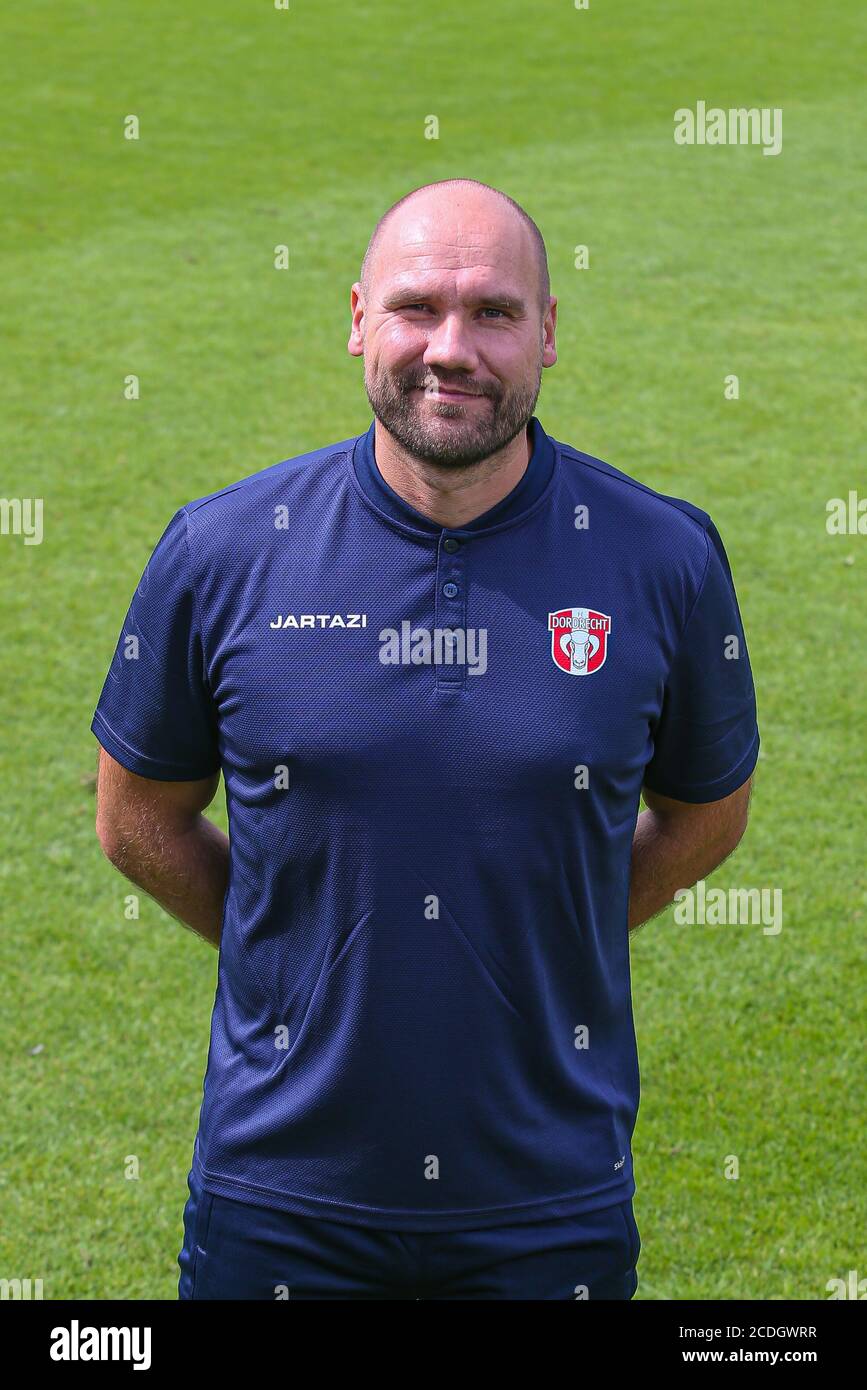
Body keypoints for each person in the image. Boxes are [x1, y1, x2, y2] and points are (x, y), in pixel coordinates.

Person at [91, 178, 759, 1299]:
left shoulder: (663, 557)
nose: (452, 348)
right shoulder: (222, 551)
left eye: (495, 312)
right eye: (416, 309)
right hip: (280, 1197)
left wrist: (542, 933)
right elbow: (135, 819)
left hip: (547, 1200)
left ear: (548, 333)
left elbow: (709, 815)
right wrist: (298, 955)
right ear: (358, 319)